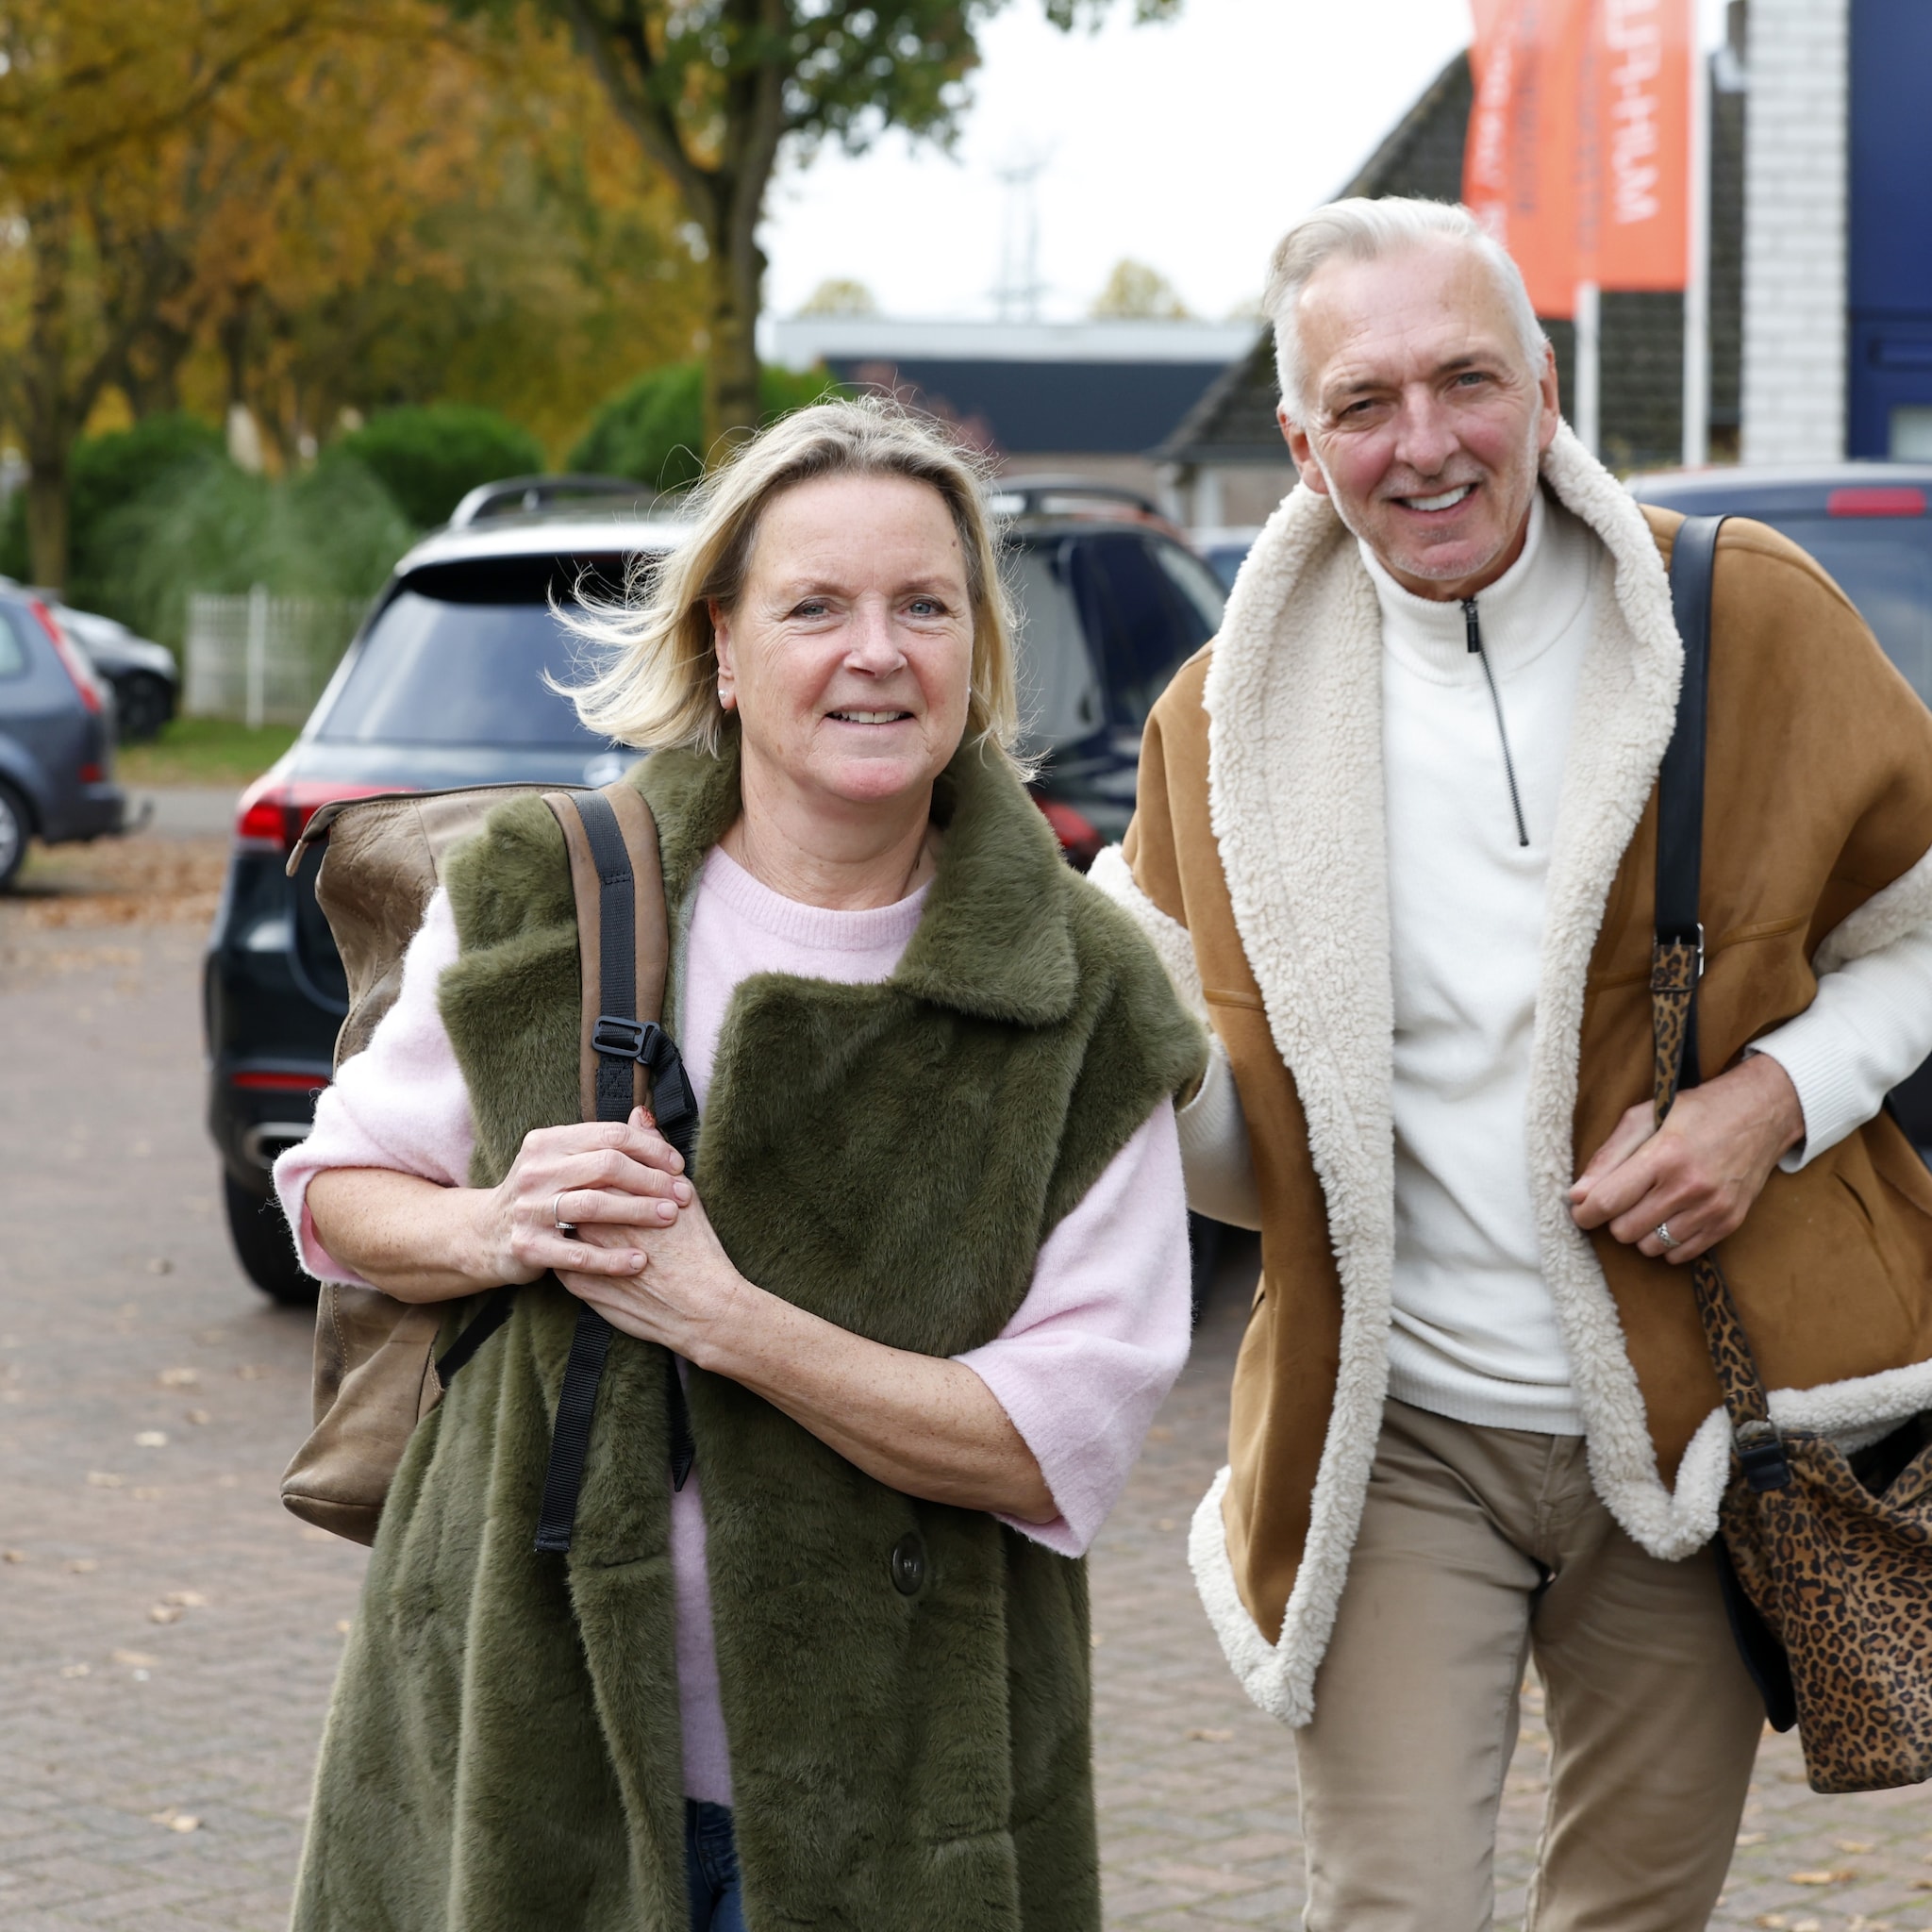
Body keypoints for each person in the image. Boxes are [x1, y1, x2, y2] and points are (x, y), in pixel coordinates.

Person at [1094, 196, 1932, 1932]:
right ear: (1299, 444)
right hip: (1398, 1433)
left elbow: (1919, 930)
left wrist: (1771, 1106)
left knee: (1635, 1911)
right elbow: (1202, 1116)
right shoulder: (1216, 726)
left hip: (1698, 1428)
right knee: (1388, 1906)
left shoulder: (1744, 618)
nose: (1426, 446)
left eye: (1466, 381)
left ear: (1543, 388)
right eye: (1364, 405)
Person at [274, 398, 1206, 1931]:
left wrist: (723, 1318)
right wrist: (503, 1224)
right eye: (814, 607)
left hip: (909, 1796)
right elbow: (337, 1191)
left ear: (978, 645)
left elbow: (1056, 1443)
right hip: (518, 1753)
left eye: (925, 605)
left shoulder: (1083, 988)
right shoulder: (546, 891)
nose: (876, 652)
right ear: (720, 644)